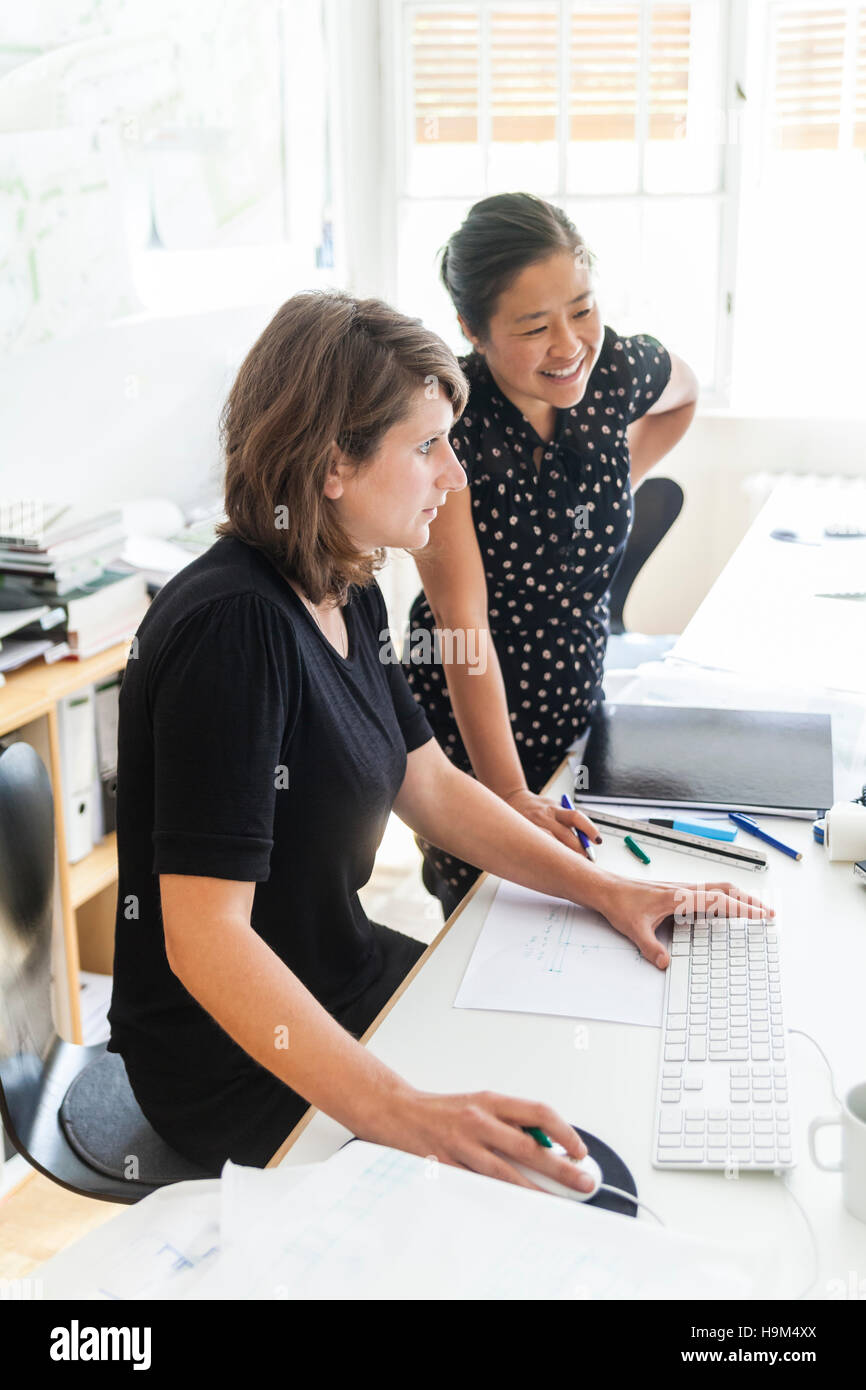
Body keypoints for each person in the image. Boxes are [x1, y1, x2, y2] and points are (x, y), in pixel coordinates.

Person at [107, 290, 764, 1187]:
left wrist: (606, 892)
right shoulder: (234, 632)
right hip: (231, 1062)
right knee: (518, 1180)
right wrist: (404, 1114)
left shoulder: (348, 584)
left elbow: (432, 785)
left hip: (344, 984)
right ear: (333, 464)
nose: (454, 476)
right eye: (426, 447)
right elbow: (205, 941)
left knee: (579, 1094)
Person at [405, 193, 699, 919]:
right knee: (491, 914)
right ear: (472, 331)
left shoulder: (619, 369)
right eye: (534, 327)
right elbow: (461, 628)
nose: (569, 344)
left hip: (576, 695)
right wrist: (507, 797)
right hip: (478, 720)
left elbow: (684, 394)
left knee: (582, 908)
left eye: (582, 308)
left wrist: (617, 481)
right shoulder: (456, 430)